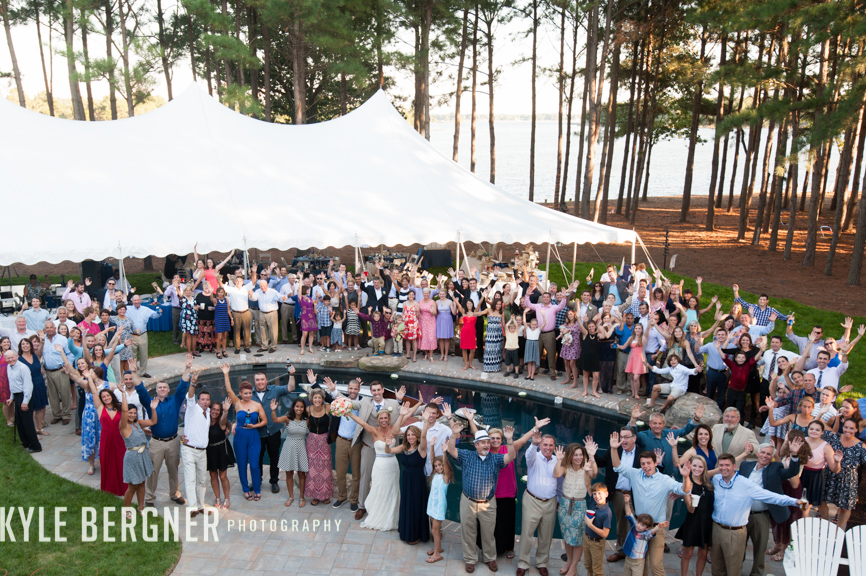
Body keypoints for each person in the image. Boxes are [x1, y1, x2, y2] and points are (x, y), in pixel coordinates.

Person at [706, 453, 808, 576]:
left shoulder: (746, 484)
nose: (724, 468)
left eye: (727, 465)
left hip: (735, 532)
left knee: (733, 569)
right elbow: (700, 477)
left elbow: (771, 496)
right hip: (716, 529)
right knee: (716, 567)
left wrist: (794, 501)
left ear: (734, 466)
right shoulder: (716, 480)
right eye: (721, 465)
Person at [464, 412, 547, 560]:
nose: (495, 440)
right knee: (490, 525)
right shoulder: (486, 451)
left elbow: (523, 439)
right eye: (492, 438)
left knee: (507, 521)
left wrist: (535, 428)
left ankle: (508, 547)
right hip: (491, 494)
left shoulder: (509, 449)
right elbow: (477, 435)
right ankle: (487, 548)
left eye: (498, 438)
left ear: (502, 440)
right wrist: (471, 420)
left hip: (508, 492)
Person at [608, 432, 691, 576]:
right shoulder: (635, 474)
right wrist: (614, 449)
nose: (646, 466)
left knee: (656, 564)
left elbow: (684, 490)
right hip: (639, 528)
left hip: (656, 528)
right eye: (643, 464)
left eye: (648, 463)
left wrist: (686, 477)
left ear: (655, 463)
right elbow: (617, 466)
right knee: (641, 563)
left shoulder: (664, 480)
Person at [446, 422, 516, 574]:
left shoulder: (495, 459)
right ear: (476, 445)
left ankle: (490, 558)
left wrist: (509, 440)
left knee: (488, 533)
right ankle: (470, 559)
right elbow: (451, 449)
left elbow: (511, 456)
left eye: (487, 442)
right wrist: (453, 434)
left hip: (488, 503)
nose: (486, 445)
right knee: (468, 532)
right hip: (468, 501)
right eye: (483, 442)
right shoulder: (467, 456)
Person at [330, 379, 403, 520]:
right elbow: (347, 402)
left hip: (386, 451)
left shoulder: (393, 403)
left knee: (385, 478)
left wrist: (427, 408)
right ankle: (361, 506)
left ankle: (383, 506)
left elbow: (406, 411)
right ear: (370, 392)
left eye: (378, 390)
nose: (376, 392)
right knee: (364, 477)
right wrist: (334, 391)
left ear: (383, 390)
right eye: (373, 390)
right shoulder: (364, 402)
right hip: (369, 447)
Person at [738, 441, 803, 576]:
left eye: (768, 454)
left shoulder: (776, 468)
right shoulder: (745, 465)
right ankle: (736, 571)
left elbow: (792, 471)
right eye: (763, 452)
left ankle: (756, 573)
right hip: (741, 514)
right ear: (758, 453)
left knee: (760, 548)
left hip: (760, 515)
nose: (765, 456)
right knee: (738, 547)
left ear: (772, 457)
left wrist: (795, 454)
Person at [144, 356, 193, 507]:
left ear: (168, 389)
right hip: (156, 443)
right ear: (157, 390)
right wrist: (134, 372)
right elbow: (140, 390)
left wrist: (187, 368)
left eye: (165, 387)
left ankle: (174, 493)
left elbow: (183, 384)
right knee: (153, 471)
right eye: (159, 388)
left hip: (173, 441)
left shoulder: (175, 400)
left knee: (173, 469)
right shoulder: (150, 403)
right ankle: (149, 498)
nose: (162, 389)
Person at [347, 405, 401, 531]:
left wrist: (419, 403)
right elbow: (361, 421)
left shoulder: (394, 429)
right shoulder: (373, 431)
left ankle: (391, 515)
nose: (383, 420)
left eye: (385, 418)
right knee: (379, 488)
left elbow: (405, 416)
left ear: (389, 419)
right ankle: (378, 514)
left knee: (392, 490)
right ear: (378, 420)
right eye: (381, 418)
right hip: (379, 465)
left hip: (392, 465)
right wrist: (349, 414)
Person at [384, 403, 430, 544]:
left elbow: (423, 437)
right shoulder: (404, 447)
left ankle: (416, 534)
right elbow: (389, 452)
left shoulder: (422, 448)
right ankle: (406, 532)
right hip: (406, 480)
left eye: (412, 435)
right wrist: (387, 444)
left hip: (417, 481)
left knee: (416, 506)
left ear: (416, 436)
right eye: (408, 435)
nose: (410, 437)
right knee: (406, 505)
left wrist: (426, 421)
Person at [221, 364, 267, 501]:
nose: (247, 395)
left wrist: (255, 426)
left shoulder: (257, 405)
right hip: (240, 436)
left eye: (249, 393)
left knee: (254, 465)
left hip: (253, 436)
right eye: (245, 393)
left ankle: (257, 489)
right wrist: (226, 374)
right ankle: (246, 489)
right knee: (241, 464)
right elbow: (229, 390)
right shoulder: (237, 404)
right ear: (240, 394)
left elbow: (264, 421)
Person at [550, 441, 597, 576]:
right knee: (567, 537)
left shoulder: (586, 467)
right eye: (575, 455)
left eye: (580, 455)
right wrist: (559, 460)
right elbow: (557, 474)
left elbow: (594, 474)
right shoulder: (566, 467)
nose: (578, 457)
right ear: (570, 456)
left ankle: (574, 566)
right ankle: (569, 562)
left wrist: (592, 457)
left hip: (579, 506)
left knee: (577, 539)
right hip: (565, 505)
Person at [118, 389, 159, 517]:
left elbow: (153, 422)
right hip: (132, 457)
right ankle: (126, 510)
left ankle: (141, 508)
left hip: (143, 455)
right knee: (132, 486)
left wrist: (153, 408)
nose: (132, 415)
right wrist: (123, 394)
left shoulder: (138, 423)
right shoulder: (124, 426)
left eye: (134, 413)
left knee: (141, 483)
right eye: (130, 413)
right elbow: (124, 411)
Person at [88, 372, 128, 496]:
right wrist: (90, 378)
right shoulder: (100, 408)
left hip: (119, 439)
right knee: (107, 463)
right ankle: (109, 488)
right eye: (103, 397)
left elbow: (126, 411)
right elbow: (95, 393)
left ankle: (123, 488)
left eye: (107, 396)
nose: (106, 398)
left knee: (120, 462)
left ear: (111, 396)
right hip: (106, 439)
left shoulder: (120, 407)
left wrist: (123, 394)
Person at [823, 418, 866, 530]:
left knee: (846, 507)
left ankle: (839, 530)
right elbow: (813, 428)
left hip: (848, 478)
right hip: (830, 473)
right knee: (821, 500)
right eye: (846, 427)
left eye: (851, 428)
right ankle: (824, 524)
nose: (848, 430)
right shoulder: (834, 437)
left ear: (856, 429)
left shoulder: (861, 446)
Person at [181, 370, 212, 517]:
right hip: (189, 449)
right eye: (203, 399)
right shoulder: (192, 408)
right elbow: (190, 395)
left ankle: (201, 505)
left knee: (202, 479)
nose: (205, 401)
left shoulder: (208, 413)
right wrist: (192, 383)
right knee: (190, 478)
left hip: (202, 451)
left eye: (207, 399)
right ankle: (192, 507)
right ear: (198, 401)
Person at [331, 377, 363, 510]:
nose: (353, 391)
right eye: (350, 388)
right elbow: (331, 396)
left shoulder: (362, 404)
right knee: (340, 471)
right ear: (347, 389)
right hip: (341, 441)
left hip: (356, 443)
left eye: (355, 388)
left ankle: (354, 499)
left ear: (359, 390)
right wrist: (333, 389)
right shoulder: (342, 401)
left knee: (356, 473)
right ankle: (342, 496)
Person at [524, 289, 570, 380]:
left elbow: (562, 306)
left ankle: (552, 372)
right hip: (538, 333)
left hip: (550, 333)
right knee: (537, 352)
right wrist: (527, 296)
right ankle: (535, 370)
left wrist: (564, 297)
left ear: (550, 298)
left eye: (547, 297)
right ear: (542, 298)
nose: (545, 298)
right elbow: (528, 304)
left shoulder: (554, 307)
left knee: (551, 353)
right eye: (544, 297)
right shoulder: (538, 306)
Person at [274, 398, 310, 507]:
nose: (299, 408)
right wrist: (273, 410)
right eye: (297, 406)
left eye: (301, 407)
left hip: (301, 447)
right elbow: (275, 420)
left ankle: (301, 497)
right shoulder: (287, 419)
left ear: (304, 408)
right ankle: (291, 496)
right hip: (289, 447)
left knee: (301, 474)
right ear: (293, 407)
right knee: (289, 473)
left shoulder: (307, 420)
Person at [621, 494, 667, 576]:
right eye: (638, 522)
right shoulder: (633, 526)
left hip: (638, 563)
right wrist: (627, 503)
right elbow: (629, 514)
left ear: (647, 528)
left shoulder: (645, 535)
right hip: (628, 559)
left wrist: (658, 527)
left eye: (642, 525)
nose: (638, 525)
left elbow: (652, 532)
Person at [5, 349, 41, 452]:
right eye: (8, 358)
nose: (10, 359)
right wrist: (12, 397)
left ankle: (35, 446)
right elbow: (12, 383)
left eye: (12, 357)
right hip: (16, 395)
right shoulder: (9, 367)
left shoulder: (23, 368)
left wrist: (25, 401)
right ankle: (26, 443)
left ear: (16, 356)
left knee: (27, 422)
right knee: (20, 422)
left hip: (25, 396)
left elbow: (28, 386)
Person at [305, 388, 334, 505]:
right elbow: (307, 423)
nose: (317, 400)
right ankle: (315, 496)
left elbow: (335, 402)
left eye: (319, 397)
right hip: (312, 440)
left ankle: (325, 495)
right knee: (313, 468)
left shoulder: (328, 408)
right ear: (312, 399)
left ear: (323, 399)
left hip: (324, 440)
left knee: (325, 468)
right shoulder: (308, 409)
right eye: (315, 397)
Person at [426, 443, 453, 564]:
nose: (438, 467)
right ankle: (439, 547)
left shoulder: (445, 477)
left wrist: (444, 453)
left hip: (439, 507)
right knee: (434, 527)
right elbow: (432, 459)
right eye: (436, 466)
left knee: (435, 531)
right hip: (432, 505)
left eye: (440, 465)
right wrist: (431, 446)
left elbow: (446, 465)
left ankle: (437, 554)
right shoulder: (435, 475)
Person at [207, 397, 235, 509]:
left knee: (223, 476)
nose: (215, 412)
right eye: (213, 409)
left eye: (218, 410)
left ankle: (227, 498)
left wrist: (226, 411)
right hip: (210, 450)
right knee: (213, 475)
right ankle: (217, 497)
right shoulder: (205, 420)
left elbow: (224, 419)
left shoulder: (221, 421)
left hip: (221, 450)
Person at [125, 295, 162, 378]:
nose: (136, 302)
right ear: (132, 301)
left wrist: (159, 312)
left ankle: (143, 372)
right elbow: (116, 309)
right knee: (132, 355)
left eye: (138, 300)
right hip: (132, 335)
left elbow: (154, 315)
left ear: (140, 301)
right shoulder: (127, 309)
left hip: (142, 335)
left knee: (143, 354)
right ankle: (132, 372)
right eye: (135, 300)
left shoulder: (145, 309)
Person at [224, 271, 254, 353]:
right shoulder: (232, 289)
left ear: (242, 282)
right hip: (236, 313)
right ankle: (237, 347)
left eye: (240, 281)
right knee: (237, 331)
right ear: (234, 282)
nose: (238, 282)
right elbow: (221, 286)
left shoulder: (245, 288)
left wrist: (254, 271)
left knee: (247, 331)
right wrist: (217, 278)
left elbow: (253, 281)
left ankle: (246, 346)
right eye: (237, 281)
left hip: (246, 312)